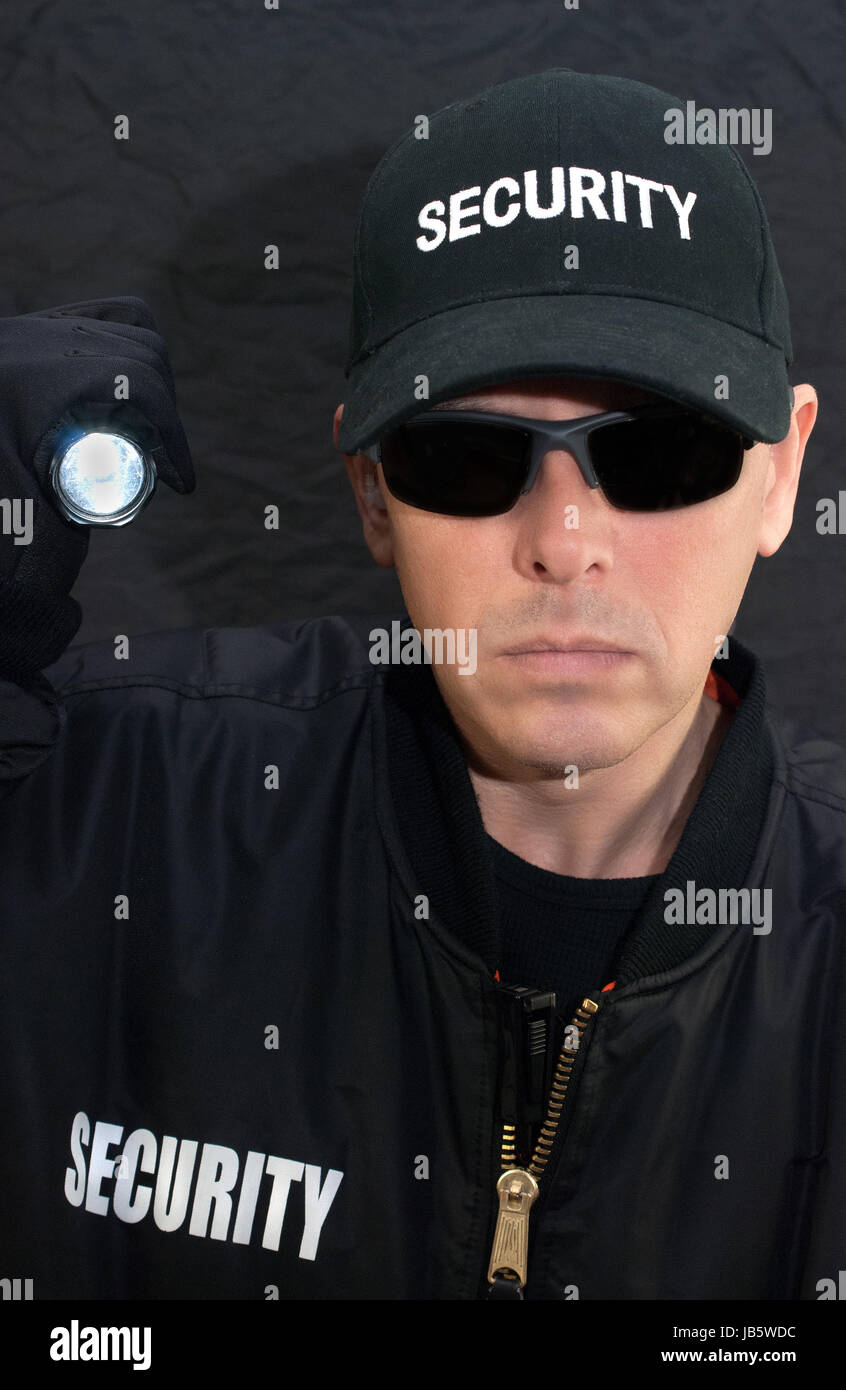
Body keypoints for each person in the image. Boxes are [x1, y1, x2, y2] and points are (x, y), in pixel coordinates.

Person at [0, 67, 842, 1304]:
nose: (565, 538)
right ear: (372, 493)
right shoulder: (91, 817)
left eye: (663, 449)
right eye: (467, 453)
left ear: (779, 478)